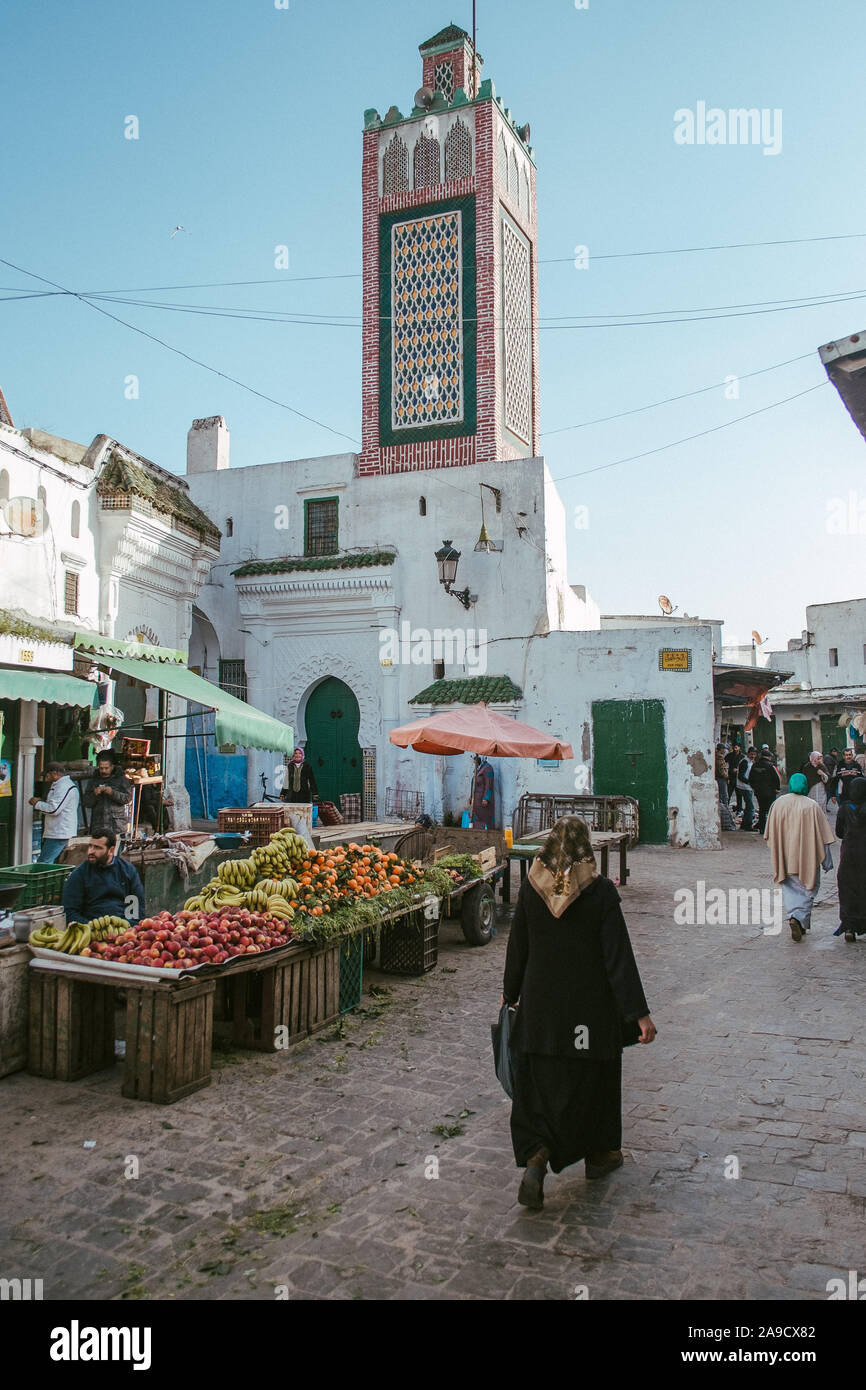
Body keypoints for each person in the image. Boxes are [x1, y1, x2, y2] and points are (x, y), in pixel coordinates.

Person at [502, 815, 656, 1209]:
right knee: (592, 1086)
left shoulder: (532, 890)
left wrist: (510, 995)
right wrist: (638, 1014)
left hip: (539, 1015)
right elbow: (617, 958)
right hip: (588, 1019)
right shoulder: (601, 893)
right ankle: (599, 1155)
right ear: (586, 849)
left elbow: (517, 949)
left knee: (537, 1088)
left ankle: (537, 1156)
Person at [765, 773, 835, 942]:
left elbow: (769, 833)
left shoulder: (778, 803)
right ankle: (798, 918)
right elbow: (823, 836)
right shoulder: (811, 806)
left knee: (790, 888)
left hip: (786, 856)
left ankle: (796, 919)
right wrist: (827, 861)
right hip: (807, 856)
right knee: (808, 888)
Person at [61, 830, 145, 925]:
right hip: (91, 928)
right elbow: (70, 912)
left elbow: (136, 907)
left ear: (111, 850)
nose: (91, 851)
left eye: (97, 848)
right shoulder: (79, 874)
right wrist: (91, 928)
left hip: (123, 928)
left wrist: (127, 928)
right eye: (90, 846)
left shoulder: (127, 870)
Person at [833, 776, 866, 943]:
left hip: (849, 855)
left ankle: (850, 926)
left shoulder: (845, 808)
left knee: (848, 889)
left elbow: (839, 832)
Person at [29, 762, 80, 862]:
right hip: (59, 832)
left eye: (47, 775)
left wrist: (37, 803)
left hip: (59, 833)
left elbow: (54, 809)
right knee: (56, 863)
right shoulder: (60, 785)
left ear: (54, 773)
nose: (45, 778)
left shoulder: (63, 786)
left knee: (44, 863)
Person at [83, 750, 133, 839]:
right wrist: (94, 794)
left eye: (106, 768)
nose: (103, 771)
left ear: (112, 767)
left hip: (116, 825)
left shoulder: (121, 779)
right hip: (98, 825)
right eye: (101, 768)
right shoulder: (93, 780)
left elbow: (128, 798)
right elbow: (86, 802)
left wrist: (113, 793)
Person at [750, 749, 781, 834]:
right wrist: (777, 788)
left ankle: (762, 828)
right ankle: (770, 828)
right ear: (768, 757)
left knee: (762, 810)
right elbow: (776, 778)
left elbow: (750, 779)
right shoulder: (771, 766)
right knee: (771, 810)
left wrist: (755, 788)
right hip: (770, 792)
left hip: (759, 792)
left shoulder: (755, 765)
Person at [472, 755, 495, 830]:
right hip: (477, 800)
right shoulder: (479, 769)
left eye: (475, 759)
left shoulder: (488, 768)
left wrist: (486, 798)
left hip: (483, 800)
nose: (474, 761)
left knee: (485, 818)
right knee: (477, 819)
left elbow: (489, 784)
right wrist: (471, 796)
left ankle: (487, 835)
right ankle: (478, 836)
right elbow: (474, 783)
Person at [735, 748, 756, 831]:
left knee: (748, 807)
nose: (753, 756)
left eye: (754, 754)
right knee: (750, 807)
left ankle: (744, 824)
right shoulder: (745, 762)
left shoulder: (749, 762)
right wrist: (749, 782)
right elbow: (741, 776)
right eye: (751, 754)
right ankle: (748, 825)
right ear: (748, 754)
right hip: (744, 787)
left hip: (745, 786)